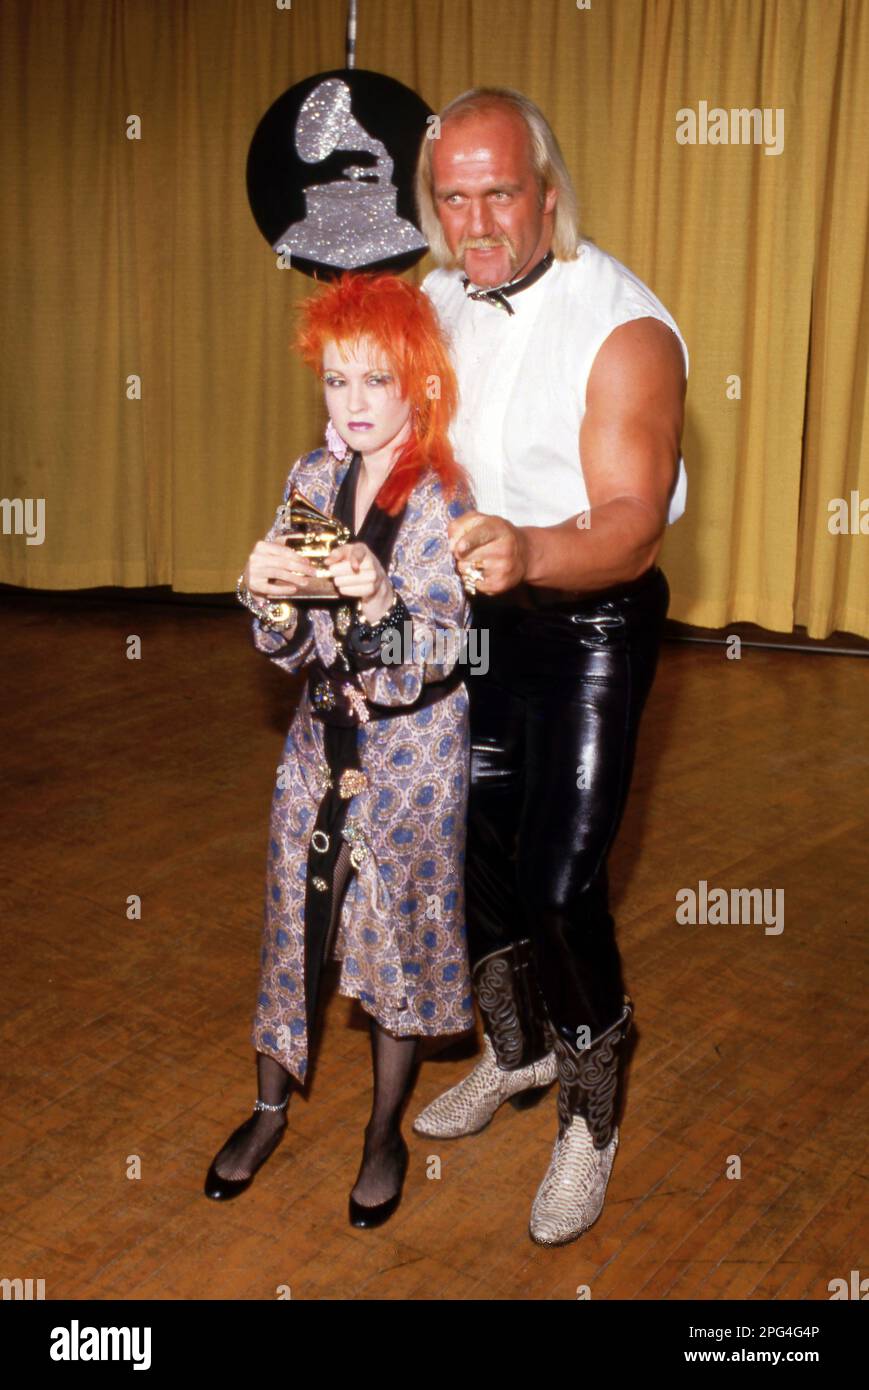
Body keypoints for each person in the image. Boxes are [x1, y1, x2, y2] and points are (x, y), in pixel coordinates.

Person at [410, 87, 689, 1246]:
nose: (476, 221)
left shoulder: (621, 325)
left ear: (547, 193)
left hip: (591, 619)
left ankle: (590, 1109)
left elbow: (630, 521)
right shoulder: (432, 302)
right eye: (453, 197)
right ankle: (516, 1050)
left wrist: (528, 549)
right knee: (464, 835)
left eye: (499, 193)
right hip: (477, 609)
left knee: (561, 877)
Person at [204, 271, 476, 1228]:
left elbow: (446, 653)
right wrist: (270, 594)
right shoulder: (311, 478)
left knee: (394, 938)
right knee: (292, 924)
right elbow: (288, 648)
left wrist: (380, 601)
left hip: (414, 756)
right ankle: (267, 1111)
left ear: (418, 383)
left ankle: (381, 1135)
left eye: (375, 379)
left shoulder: (442, 496)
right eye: (335, 379)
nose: (353, 401)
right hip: (318, 742)